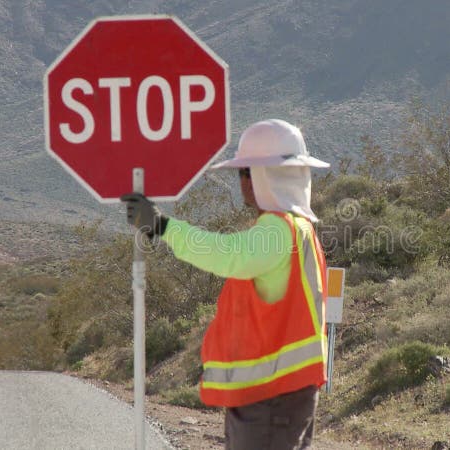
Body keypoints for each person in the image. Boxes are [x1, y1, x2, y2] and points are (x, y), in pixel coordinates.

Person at [123, 119, 330, 450]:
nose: (241, 183)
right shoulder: (298, 229)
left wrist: (161, 226)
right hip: (279, 394)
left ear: (261, 177)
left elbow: (225, 254)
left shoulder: (277, 231)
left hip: (272, 397)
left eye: (243, 173)